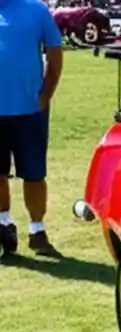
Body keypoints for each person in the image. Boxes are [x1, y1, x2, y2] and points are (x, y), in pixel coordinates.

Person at [0, 0, 64, 260]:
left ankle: (37, 230)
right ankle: (4, 225)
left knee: (34, 174)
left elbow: (55, 52)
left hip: (30, 110)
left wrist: (46, 93)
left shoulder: (36, 10)